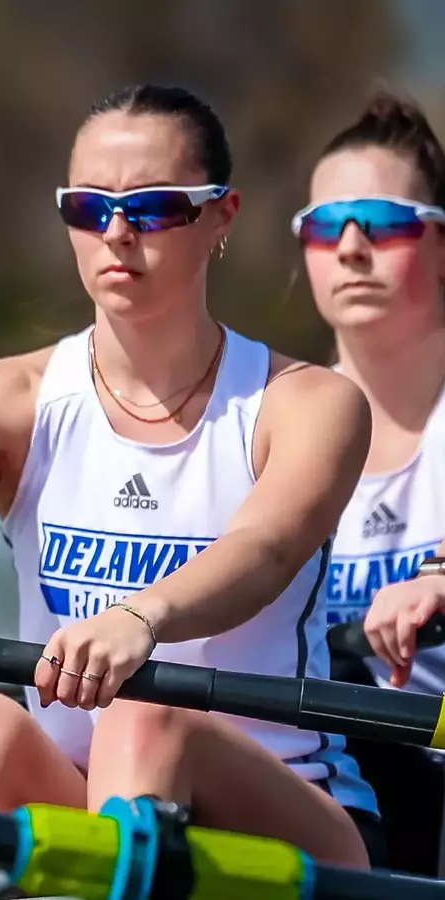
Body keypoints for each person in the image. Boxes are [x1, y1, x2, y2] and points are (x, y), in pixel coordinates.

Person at [0, 83, 385, 869]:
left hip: (290, 821)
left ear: (221, 217)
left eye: (153, 208)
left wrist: (143, 617)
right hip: (83, 803)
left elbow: (263, 551)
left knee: (142, 718)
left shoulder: (306, 405)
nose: (117, 233)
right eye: (89, 209)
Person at [298, 90, 445, 875]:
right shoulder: (271, 428)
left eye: (384, 222)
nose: (351, 246)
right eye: (325, 226)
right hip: (340, 777)